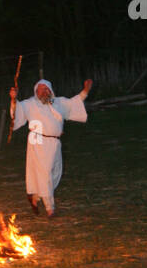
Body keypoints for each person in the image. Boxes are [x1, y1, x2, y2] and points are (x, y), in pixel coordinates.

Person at [9, 77, 92, 217]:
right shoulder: (30, 104)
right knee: (46, 173)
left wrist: (86, 90)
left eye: (46, 89)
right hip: (39, 141)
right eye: (41, 89)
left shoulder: (57, 102)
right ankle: (50, 208)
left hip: (55, 143)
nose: (44, 91)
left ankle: (36, 196)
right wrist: (13, 99)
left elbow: (74, 103)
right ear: (36, 91)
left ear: (50, 91)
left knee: (55, 173)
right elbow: (16, 113)